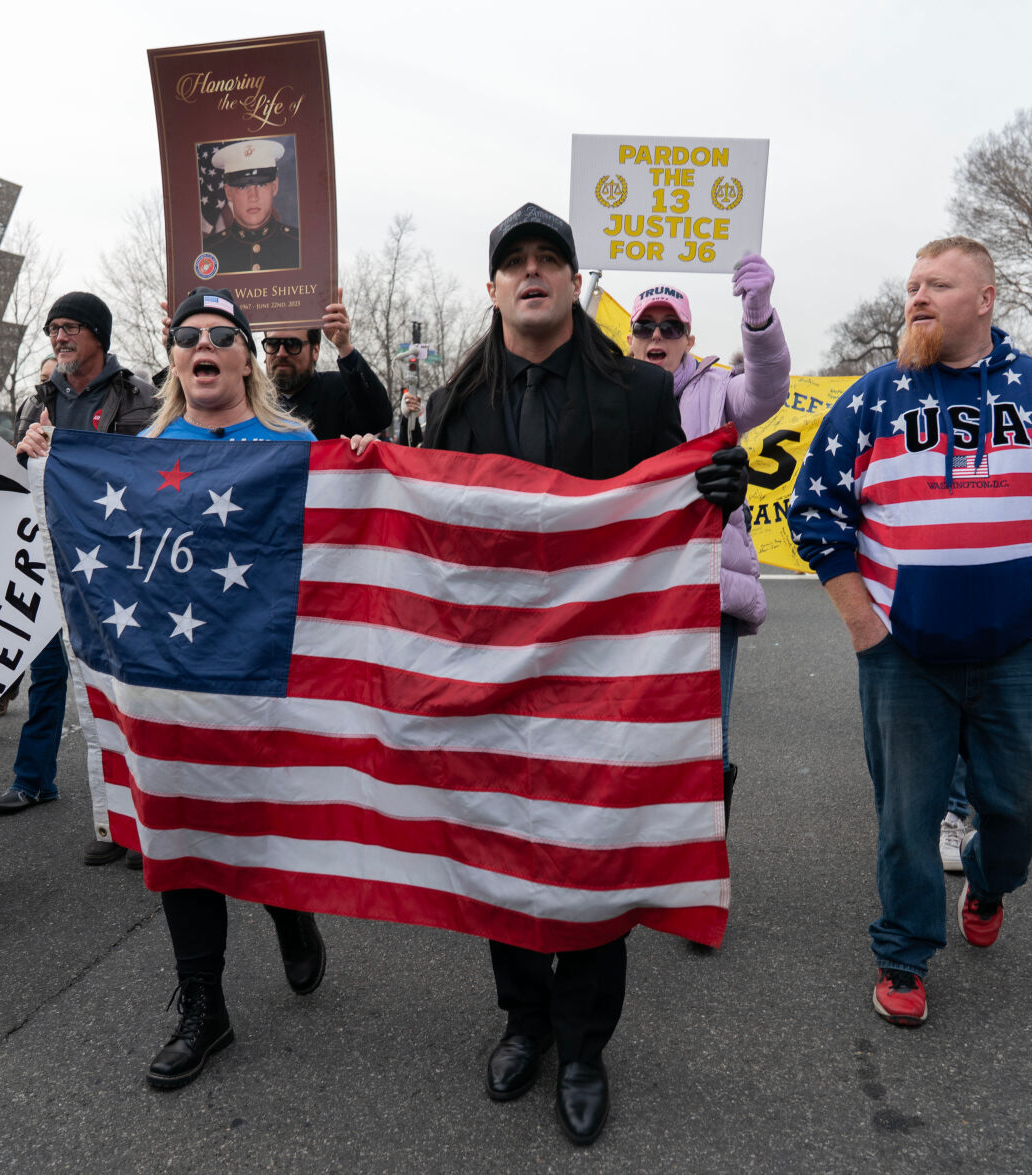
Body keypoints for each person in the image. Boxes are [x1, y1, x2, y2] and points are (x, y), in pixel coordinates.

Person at [405, 203, 748, 1146]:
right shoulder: (456, 402)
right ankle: (523, 1017)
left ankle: (585, 1040)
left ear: (569, 278)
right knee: (501, 840)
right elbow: (432, 528)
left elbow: (672, 502)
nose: (530, 273)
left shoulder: (640, 393)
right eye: (512, 262)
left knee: (593, 843)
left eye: (547, 259)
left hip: (605, 668)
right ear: (491, 288)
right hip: (495, 665)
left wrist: (717, 488)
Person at [790, 235, 1032, 1029]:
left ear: (985, 299)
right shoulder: (873, 399)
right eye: (910, 284)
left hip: (1021, 653)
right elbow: (816, 514)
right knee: (905, 820)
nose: (916, 296)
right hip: (903, 658)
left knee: (1019, 808)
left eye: (937, 283)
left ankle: (986, 881)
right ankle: (903, 953)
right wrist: (864, 630)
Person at [19, 287, 327, 1091]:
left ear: (245, 357)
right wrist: (42, 465)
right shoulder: (140, 452)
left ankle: (288, 907)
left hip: (264, 683)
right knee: (182, 838)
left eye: (222, 336)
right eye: (187, 335)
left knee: (255, 825)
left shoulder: (298, 446)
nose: (203, 346)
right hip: (169, 684)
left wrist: (360, 462)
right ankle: (203, 1005)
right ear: (173, 358)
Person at [622, 260, 789, 823]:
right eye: (647, 326)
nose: (658, 337)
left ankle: (700, 859)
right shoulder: (605, 393)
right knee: (624, 730)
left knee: (704, 734)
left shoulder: (718, 391)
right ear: (630, 337)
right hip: (626, 588)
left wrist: (758, 315)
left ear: (689, 339)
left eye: (672, 327)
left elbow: (768, 388)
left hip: (705, 587)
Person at [3, 294, 158, 872]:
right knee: (80, 701)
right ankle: (110, 820)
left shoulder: (138, 395)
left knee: (129, 700)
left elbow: (147, 474)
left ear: (98, 334)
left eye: (68, 328)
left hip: (124, 572)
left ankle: (147, 825)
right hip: (59, 569)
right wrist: (24, 454)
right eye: (51, 330)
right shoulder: (38, 400)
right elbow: (17, 479)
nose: (58, 339)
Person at [258, 291, 393, 439]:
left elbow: (379, 418)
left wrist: (344, 347)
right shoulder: (250, 400)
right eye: (272, 344)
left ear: (315, 351)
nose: (281, 353)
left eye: (292, 344)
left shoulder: (337, 390)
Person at [202, 139, 299, 274]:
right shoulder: (208, 252)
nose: (253, 197)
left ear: (275, 187)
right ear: (229, 193)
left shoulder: (299, 245)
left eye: (261, 185)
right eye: (243, 186)